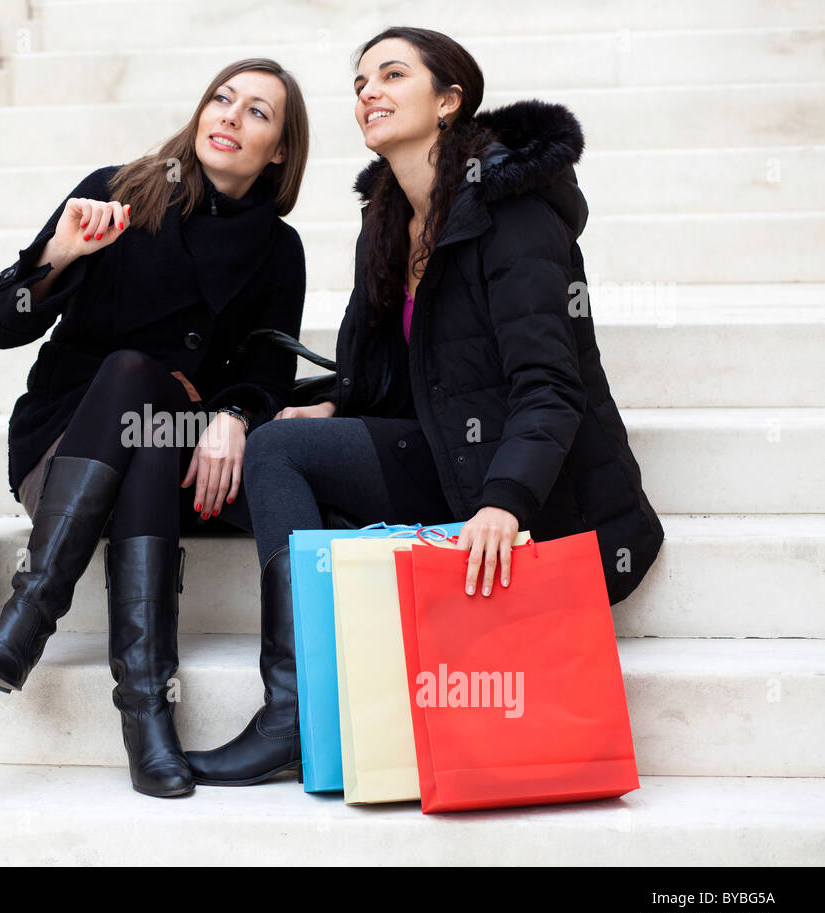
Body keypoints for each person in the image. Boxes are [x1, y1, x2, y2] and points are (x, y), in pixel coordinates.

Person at [187, 26, 665, 787]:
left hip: (535, 487)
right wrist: (334, 408)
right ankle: (297, 710)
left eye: (392, 75)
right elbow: (405, 373)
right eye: (359, 82)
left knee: (283, 468)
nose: (368, 91)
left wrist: (507, 504)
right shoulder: (387, 219)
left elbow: (551, 385)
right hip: (447, 454)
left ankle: (300, 707)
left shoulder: (513, 212)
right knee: (275, 447)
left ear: (449, 101)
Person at [0, 58, 310, 798]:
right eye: (221, 98)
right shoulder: (118, 192)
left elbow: (265, 374)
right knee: (127, 374)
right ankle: (134, 703)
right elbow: (0, 326)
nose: (229, 117)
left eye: (257, 112)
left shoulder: (278, 251)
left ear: (279, 149)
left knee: (150, 425)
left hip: (176, 454)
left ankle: (53, 634)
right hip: (64, 446)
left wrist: (231, 414)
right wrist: (59, 257)